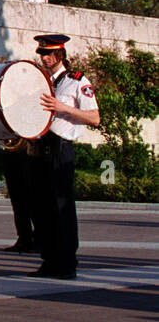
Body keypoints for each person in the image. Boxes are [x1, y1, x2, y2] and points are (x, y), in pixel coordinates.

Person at [29, 33, 99, 280]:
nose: (44, 58)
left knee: (62, 207)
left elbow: (94, 118)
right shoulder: (39, 81)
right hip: (39, 145)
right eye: (41, 54)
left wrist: (64, 108)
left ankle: (68, 262)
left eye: (48, 54)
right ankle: (49, 259)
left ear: (60, 55)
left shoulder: (77, 81)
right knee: (41, 207)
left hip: (61, 148)